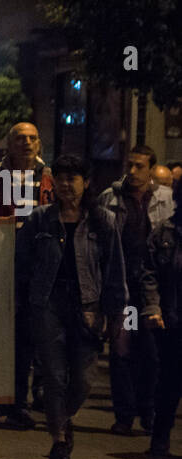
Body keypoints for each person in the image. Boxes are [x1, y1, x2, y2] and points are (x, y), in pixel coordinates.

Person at [17, 155, 127, 459]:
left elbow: (114, 269)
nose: (66, 185)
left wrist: (116, 314)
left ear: (86, 182)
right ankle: (59, 440)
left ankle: (63, 418)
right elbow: (21, 263)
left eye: (73, 179)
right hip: (48, 302)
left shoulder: (102, 220)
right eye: (61, 179)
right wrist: (25, 302)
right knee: (52, 375)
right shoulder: (40, 218)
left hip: (87, 305)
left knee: (83, 379)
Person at [0, 122, 54, 430]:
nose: (27, 143)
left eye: (33, 138)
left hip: (35, 268)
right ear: (10, 143)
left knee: (25, 339)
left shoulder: (49, 176)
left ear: (39, 143)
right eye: (20, 138)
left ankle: (17, 403)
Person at [98, 144, 173, 435]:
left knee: (152, 354)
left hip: (152, 289)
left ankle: (148, 411)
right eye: (130, 165)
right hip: (124, 288)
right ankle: (125, 414)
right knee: (122, 351)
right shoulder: (111, 199)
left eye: (139, 166)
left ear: (152, 169)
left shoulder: (164, 199)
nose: (132, 171)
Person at [141, 179, 182, 457]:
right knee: (169, 381)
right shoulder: (164, 232)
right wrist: (153, 309)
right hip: (173, 318)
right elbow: (150, 273)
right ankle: (160, 437)